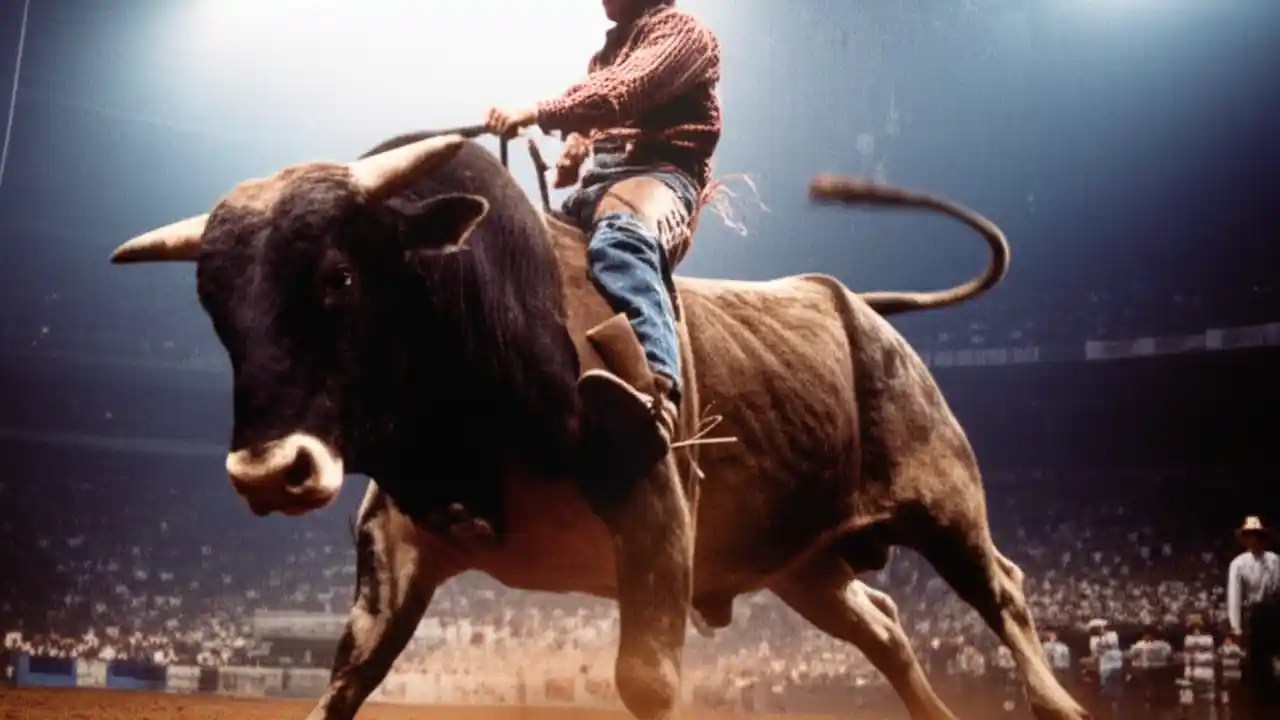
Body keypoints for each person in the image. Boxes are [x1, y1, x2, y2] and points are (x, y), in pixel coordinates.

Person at [483, 0, 721, 463]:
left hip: (663, 176)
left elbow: (623, 92)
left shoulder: (684, 34)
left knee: (620, 241)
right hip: (601, 183)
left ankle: (657, 393)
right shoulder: (608, 53)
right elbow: (597, 106)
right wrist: (575, 151)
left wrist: (535, 111)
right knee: (529, 248)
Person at [1227, 515, 1280, 710]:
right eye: (1250, 535)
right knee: (1257, 661)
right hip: (1254, 615)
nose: (1254, 539)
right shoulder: (1238, 564)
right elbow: (1234, 595)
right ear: (1245, 539)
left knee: (1275, 658)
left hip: (1274, 611)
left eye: (1257, 535)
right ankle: (1260, 703)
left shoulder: (1275, 560)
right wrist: (1236, 626)